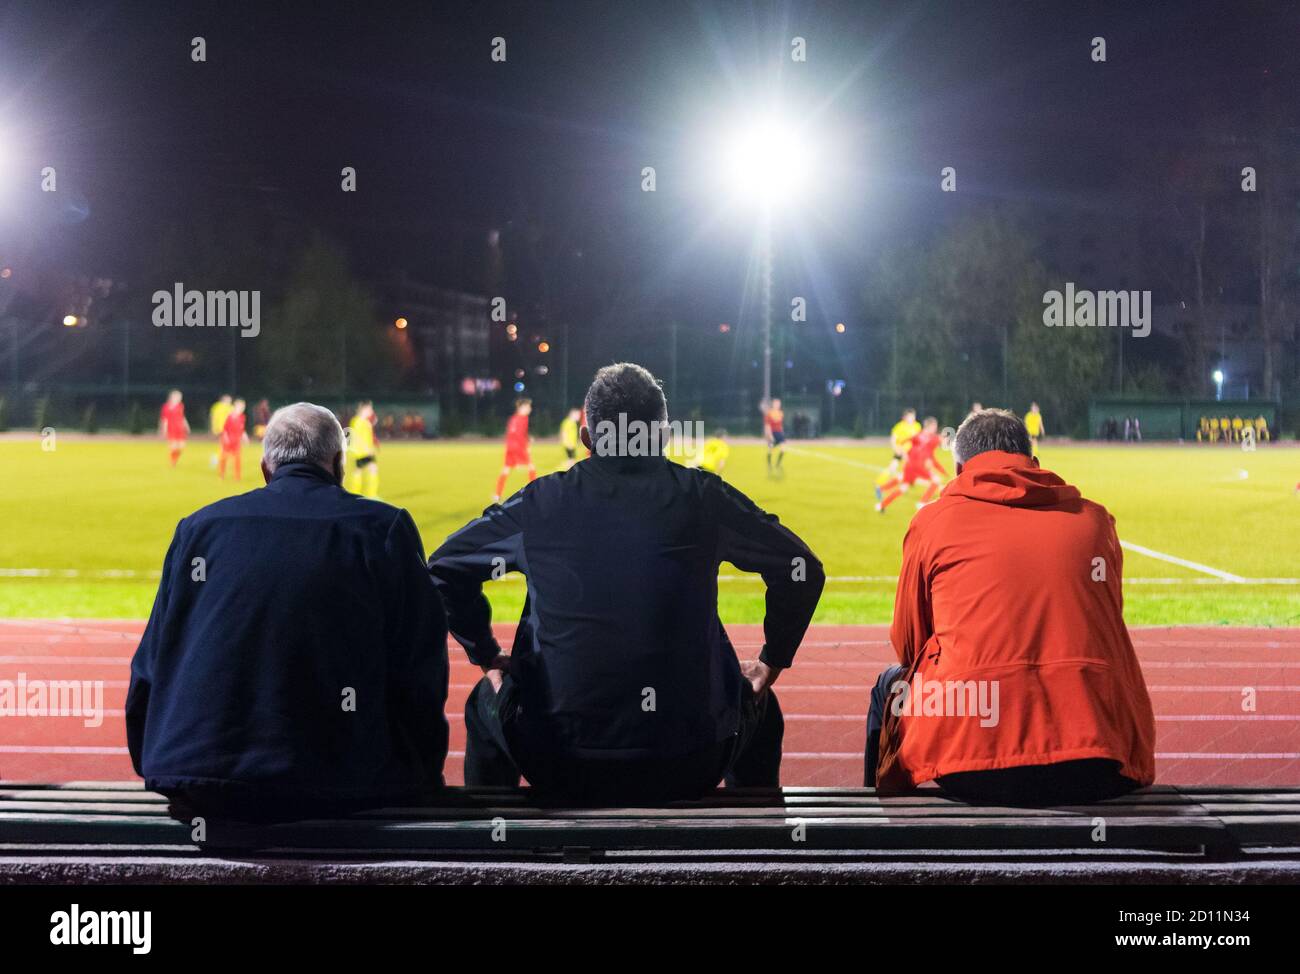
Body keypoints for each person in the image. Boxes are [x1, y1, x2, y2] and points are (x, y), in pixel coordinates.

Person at [431, 363, 824, 804]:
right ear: (664, 435)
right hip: (690, 760)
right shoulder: (702, 497)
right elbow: (800, 566)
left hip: (559, 761)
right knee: (760, 709)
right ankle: (753, 854)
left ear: (586, 439)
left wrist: (486, 655)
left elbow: (444, 567)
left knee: (484, 701)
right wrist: (772, 660)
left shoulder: (540, 502)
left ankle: (493, 850)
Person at [126, 403, 448, 822]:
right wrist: (421, 769)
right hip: (341, 787)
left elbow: (150, 668)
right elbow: (421, 672)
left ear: (265, 468)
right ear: (338, 465)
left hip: (198, 785)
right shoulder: (380, 528)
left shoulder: (198, 529)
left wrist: (160, 759)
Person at [866, 408, 1155, 804]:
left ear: (958, 469)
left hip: (972, 764)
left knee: (889, 685)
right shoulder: (1096, 522)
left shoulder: (932, 523)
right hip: (1098, 761)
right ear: (1034, 464)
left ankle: (877, 843)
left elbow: (909, 644)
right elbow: (1106, 622)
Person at [876, 416, 945, 512]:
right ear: (931, 426)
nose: (936, 428)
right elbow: (932, 455)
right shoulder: (932, 439)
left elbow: (901, 442)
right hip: (918, 466)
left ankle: (881, 505)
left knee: (903, 488)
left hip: (909, 466)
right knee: (936, 480)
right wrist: (942, 470)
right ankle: (922, 503)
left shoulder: (918, 435)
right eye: (935, 426)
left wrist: (904, 454)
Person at [494, 398, 536, 501]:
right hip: (518, 448)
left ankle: (497, 494)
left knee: (505, 470)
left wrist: (528, 438)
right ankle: (535, 492)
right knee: (531, 468)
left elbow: (517, 434)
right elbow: (517, 435)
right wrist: (525, 449)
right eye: (528, 406)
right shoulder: (521, 419)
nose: (530, 409)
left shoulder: (515, 418)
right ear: (521, 407)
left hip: (510, 447)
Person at [875, 408, 920, 500]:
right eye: (910, 416)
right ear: (905, 417)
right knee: (893, 468)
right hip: (901, 450)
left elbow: (918, 439)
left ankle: (905, 484)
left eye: (913, 416)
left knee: (909, 470)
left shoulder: (917, 426)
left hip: (911, 453)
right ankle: (879, 484)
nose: (912, 418)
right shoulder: (900, 426)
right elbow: (893, 439)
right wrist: (896, 449)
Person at [347, 401, 380, 498]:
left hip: (363, 451)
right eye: (370, 409)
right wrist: (366, 449)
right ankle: (371, 495)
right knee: (371, 469)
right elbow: (357, 437)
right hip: (362, 452)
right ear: (364, 410)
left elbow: (368, 436)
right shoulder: (358, 421)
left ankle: (356, 494)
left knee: (360, 471)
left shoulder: (364, 421)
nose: (371, 411)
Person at [217, 398, 248, 481]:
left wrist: (245, 436)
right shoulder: (230, 416)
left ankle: (237, 477)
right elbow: (225, 429)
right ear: (236, 406)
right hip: (228, 441)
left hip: (236, 441)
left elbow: (242, 428)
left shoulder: (242, 417)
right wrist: (226, 438)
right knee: (224, 458)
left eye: (243, 407)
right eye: (240, 407)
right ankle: (221, 475)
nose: (242, 409)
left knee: (237, 459)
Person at [159, 390, 189, 467]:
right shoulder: (166, 406)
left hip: (180, 428)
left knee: (181, 447)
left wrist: (186, 425)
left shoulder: (181, 405)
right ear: (172, 397)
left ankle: (174, 459)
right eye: (178, 396)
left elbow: (182, 417)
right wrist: (164, 429)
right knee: (173, 446)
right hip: (171, 428)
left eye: (180, 397)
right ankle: (172, 461)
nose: (179, 398)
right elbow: (164, 419)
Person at [208, 394, 233, 468]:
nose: (229, 401)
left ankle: (220, 459)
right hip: (220, 428)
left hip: (229, 430)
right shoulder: (217, 406)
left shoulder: (231, 407)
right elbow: (213, 417)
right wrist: (213, 427)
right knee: (223, 445)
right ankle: (216, 460)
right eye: (227, 399)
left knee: (226, 446)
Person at [763, 398, 786, 474]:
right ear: (773, 404)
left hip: (779, 433)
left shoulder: (781, 413)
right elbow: (767, 425)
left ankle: (777, 464)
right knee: (770, 450)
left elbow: (780, 424)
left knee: (783, 449)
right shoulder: (769, 413)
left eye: (779, 404)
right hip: (773, 433)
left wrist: (782, 433)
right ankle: (769, 465)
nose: (778, 405)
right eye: (776, 404)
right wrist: (770, 435)